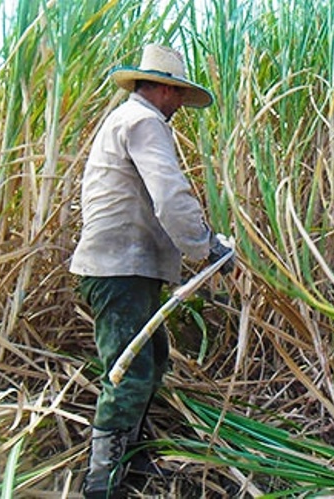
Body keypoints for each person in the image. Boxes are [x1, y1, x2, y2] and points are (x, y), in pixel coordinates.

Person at [70, 43, 235, 499]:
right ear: (163, 89)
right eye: (178, 93)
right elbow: (170, 196)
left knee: (151, 359)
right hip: (118, 268)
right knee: (129, 372)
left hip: (127, 267)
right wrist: (206, 247)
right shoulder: (144, 122)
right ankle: (102, 483)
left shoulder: (127, 119)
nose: (179, 104)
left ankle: (129, 456)